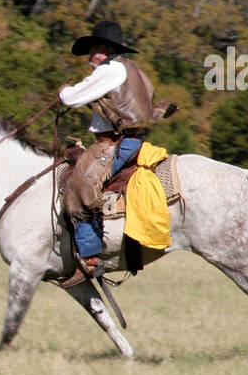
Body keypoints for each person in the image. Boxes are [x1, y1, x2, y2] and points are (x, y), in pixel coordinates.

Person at [56, 21, 170, 288]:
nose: (89, 59)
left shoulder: (109, 70)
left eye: (92, 51)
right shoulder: (134, 71)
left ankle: (91, 259)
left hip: (114, 142)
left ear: (104, 50)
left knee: (78, 188)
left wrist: (63, 91)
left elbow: (72, 98)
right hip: (131, 139)